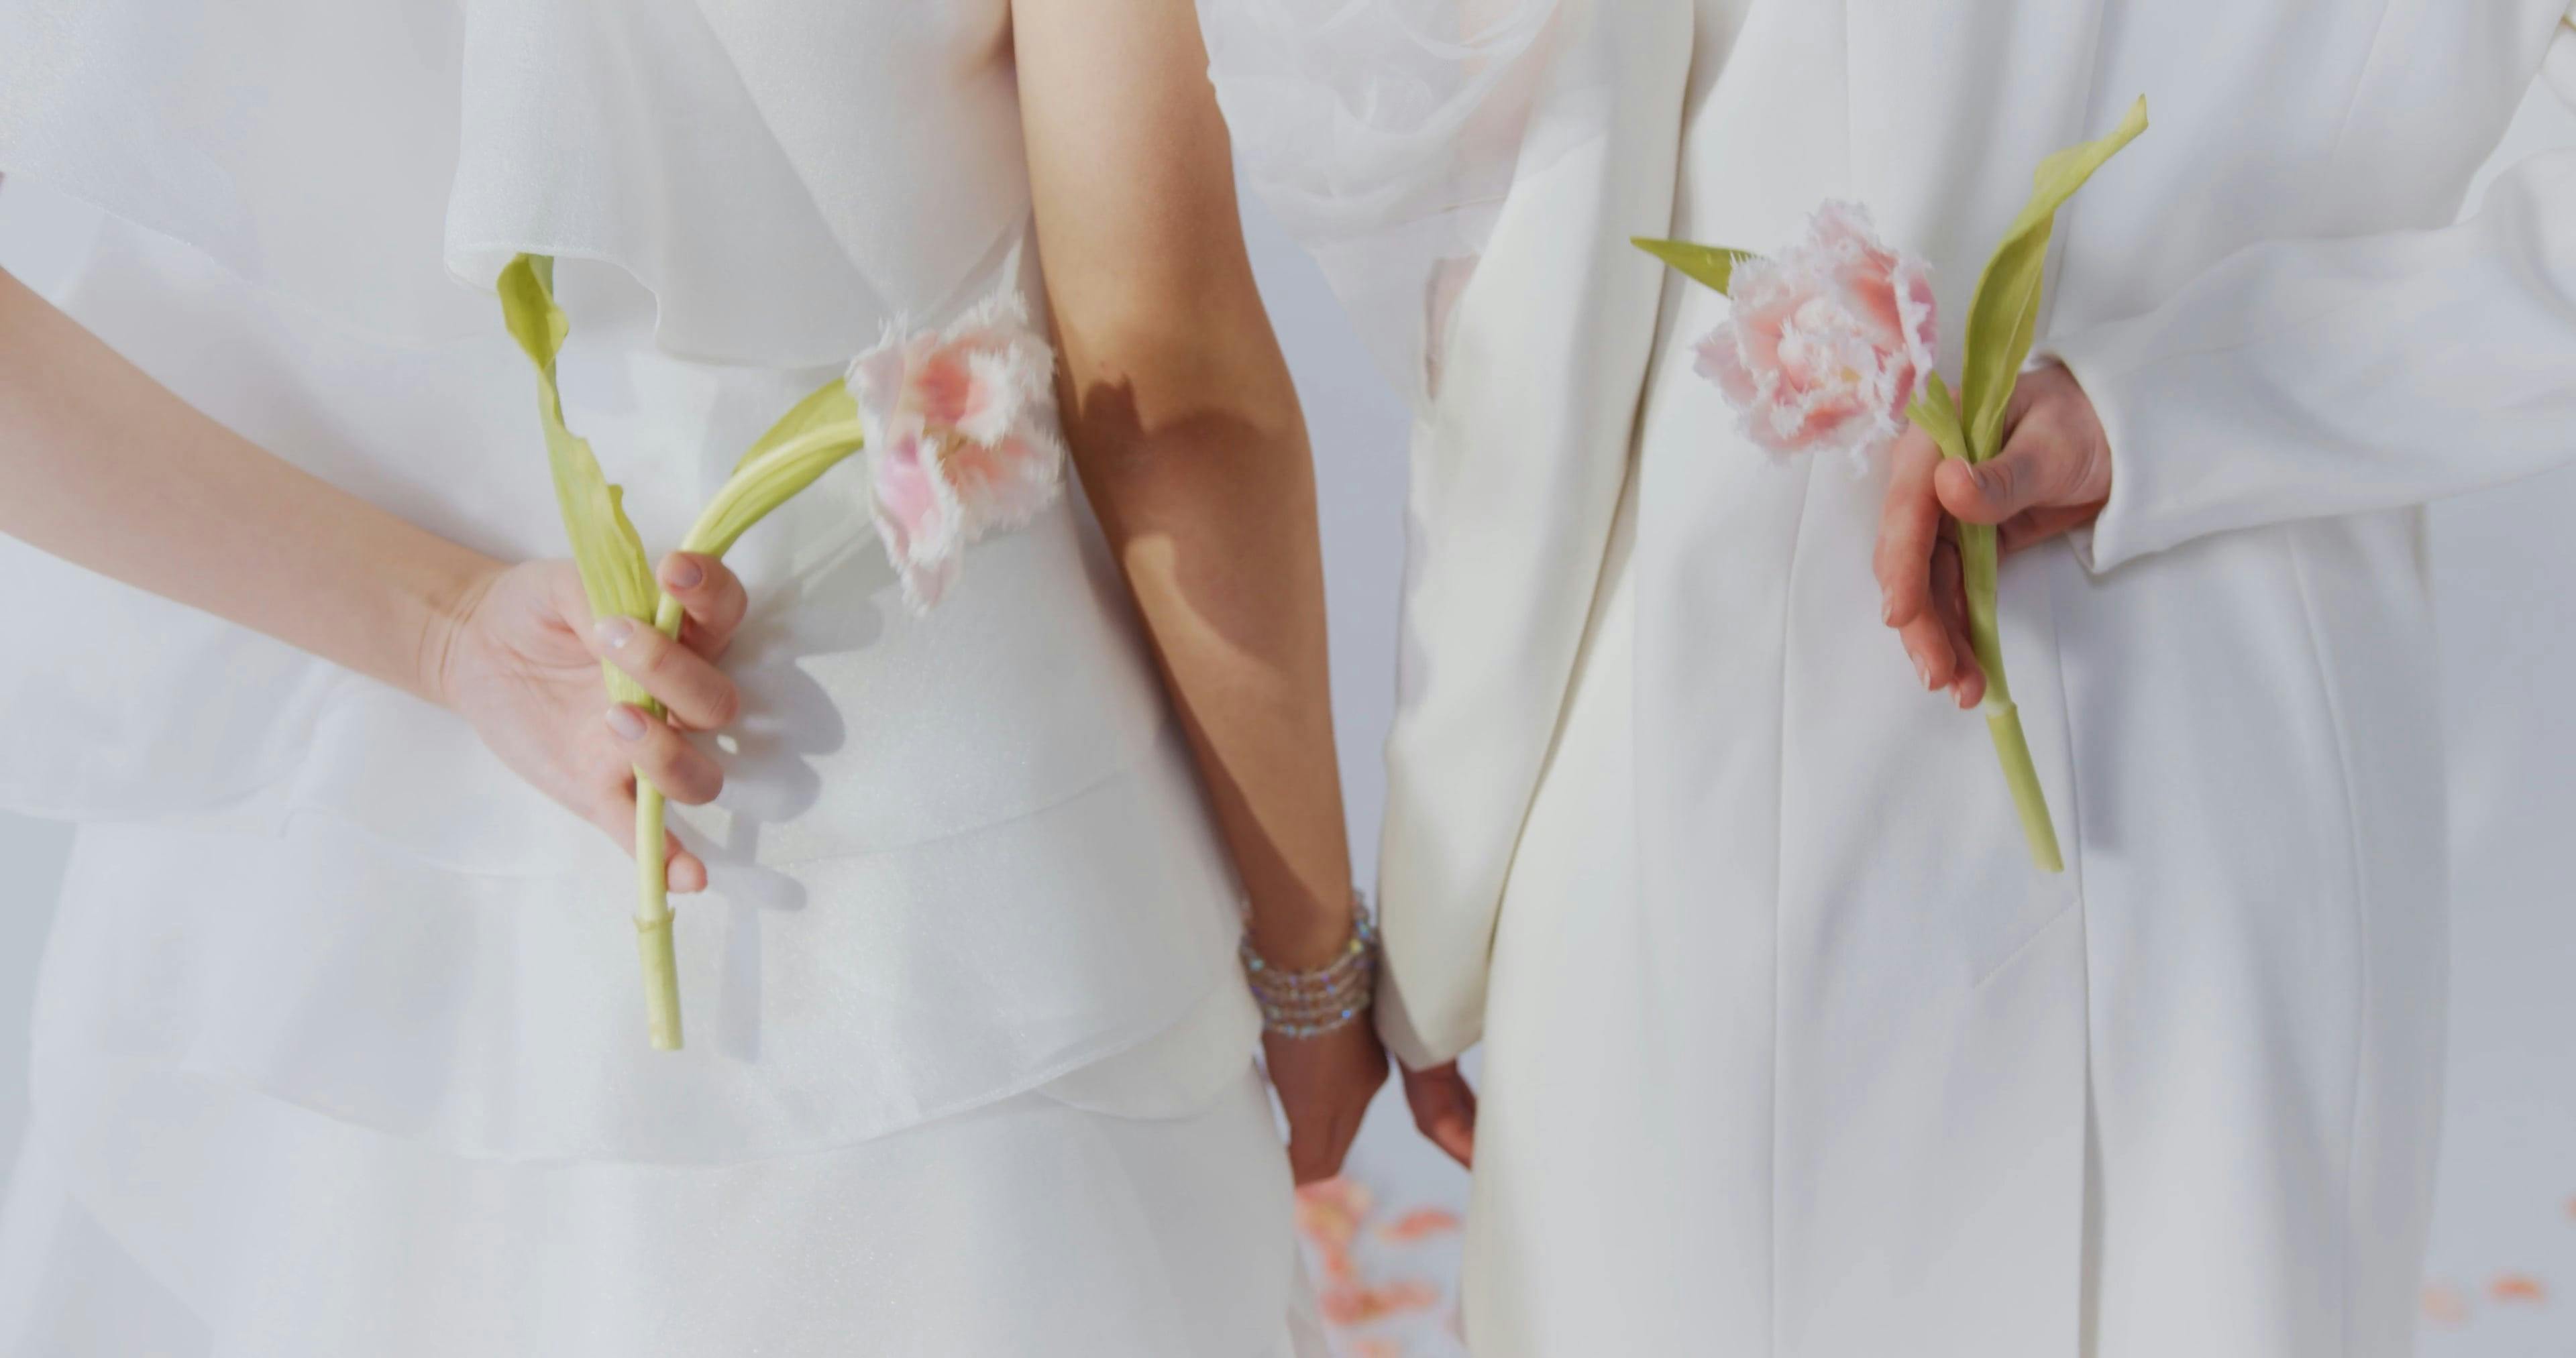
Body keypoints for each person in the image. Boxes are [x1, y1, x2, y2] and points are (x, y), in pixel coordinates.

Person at [0, 0, 1385, 1353]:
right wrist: (1314, 959)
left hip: (334, 957)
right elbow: (1167, 381)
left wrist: (441, 626)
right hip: (947, 936)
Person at [1205, 0, 2576, 1352]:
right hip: (2257, 768)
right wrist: (2182, 396)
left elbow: (1555, 299)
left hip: (1736, 752)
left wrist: (1438, 927)